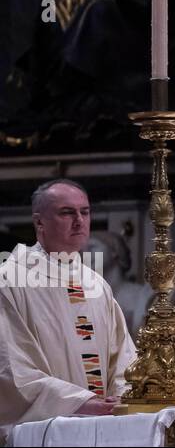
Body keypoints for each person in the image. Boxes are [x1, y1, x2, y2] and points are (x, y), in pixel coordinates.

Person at [0, 180, 136, 429]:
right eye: (67, 212)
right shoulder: (10, 280)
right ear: (39, 222)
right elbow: (9, 366)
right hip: (48, 428)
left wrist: (123, 395)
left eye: (84, 212)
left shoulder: (95, 283)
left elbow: (124, 355)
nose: (79, 221)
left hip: (105, 424)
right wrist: (79, 402)